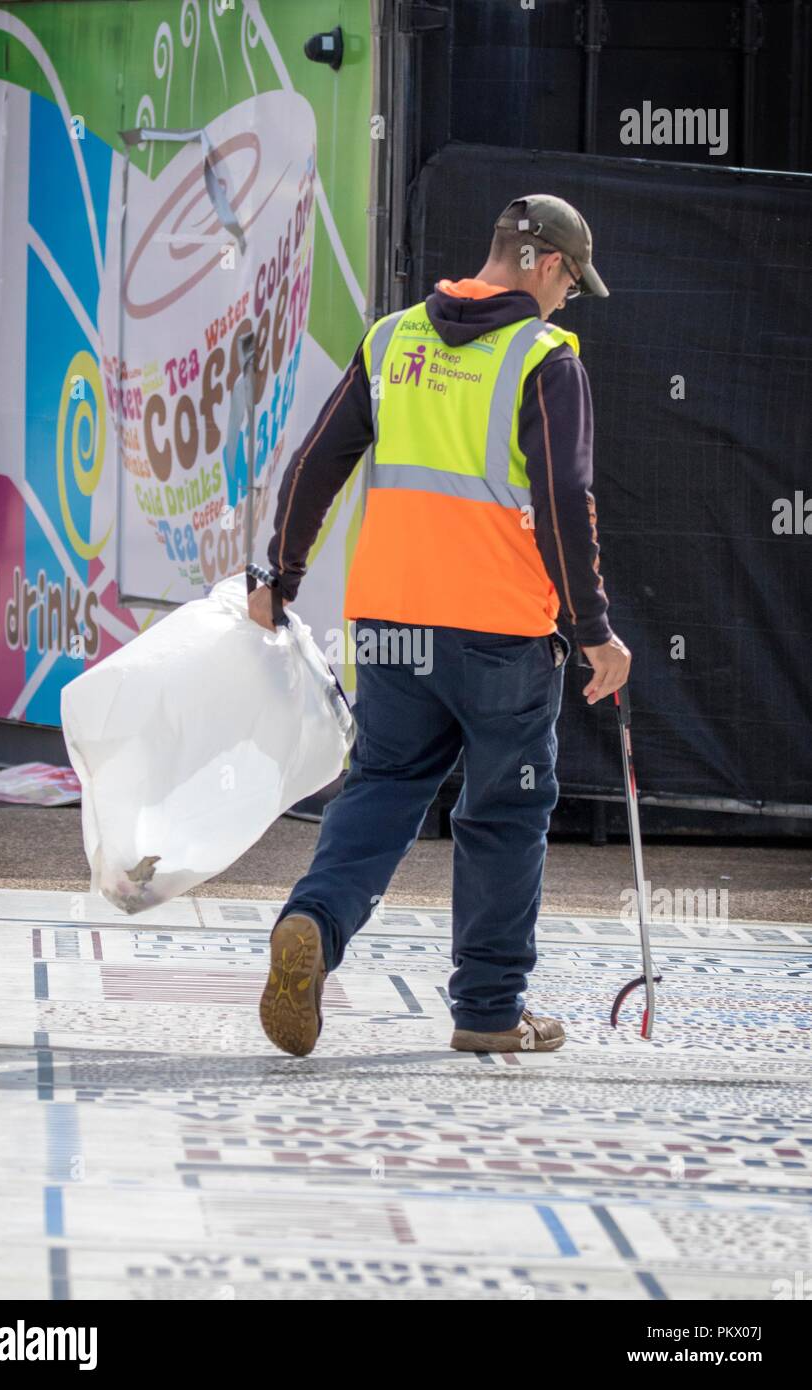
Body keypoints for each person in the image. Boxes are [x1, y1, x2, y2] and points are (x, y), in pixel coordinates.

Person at [249, 194, 631, 1057]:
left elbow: (315, 463)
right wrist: (594, 627)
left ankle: (311, 920)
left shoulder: (393, 340)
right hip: (500, 634)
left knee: (382, 786)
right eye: (571, 281)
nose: (568, 300)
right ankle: (490, 1012)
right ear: (542, 264)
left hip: (389, 624)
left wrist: (282, 574)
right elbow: (567, 503)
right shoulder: (544, 358)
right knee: (504, 813)